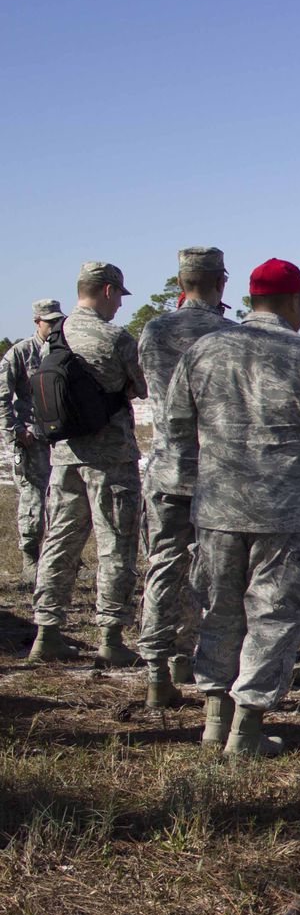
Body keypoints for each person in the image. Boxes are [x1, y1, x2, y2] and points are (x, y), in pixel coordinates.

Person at [166, 258, 300, 756]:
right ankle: (247, 727)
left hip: (218, 508)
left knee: (218, 609)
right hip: (284, 509)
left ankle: (215, 719)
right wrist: (293, 450)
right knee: (273, 614)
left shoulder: (203, 351)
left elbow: (176, 425)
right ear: (295, 302)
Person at [29, 263, 147, 665]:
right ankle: (111, 637)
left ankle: (46, 632)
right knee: (115, 544)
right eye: (119, 297)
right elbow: (143, 386)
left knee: (60, 541)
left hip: (64, 455)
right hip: (111, 458)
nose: (118, 307)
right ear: (109, 291)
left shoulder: (53, 337)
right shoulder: (115, 338)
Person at [136, 247, 236, 708]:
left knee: (163, 565)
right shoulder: (230, 336)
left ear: (180, 284)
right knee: (210, 572)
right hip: (217, 476)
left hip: (168, 468)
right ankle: (188, 656)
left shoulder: (154, 332)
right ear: (222, 282)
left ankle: (156, 668)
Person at [0, 299, 66, 586]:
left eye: (57, 321)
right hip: (30, 440)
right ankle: (30, 560)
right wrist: (15, 430)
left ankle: (63, 561)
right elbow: (2, 398)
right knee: (33, 500)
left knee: (62, 501)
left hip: (60, 439)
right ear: (36, 321)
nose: (53, 326)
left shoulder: (63, 350)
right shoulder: (19, 353)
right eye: (48, 321)